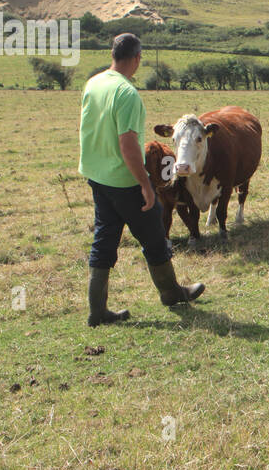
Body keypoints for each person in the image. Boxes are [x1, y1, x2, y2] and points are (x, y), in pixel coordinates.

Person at [78, 32, 204, 326]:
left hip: (97, 176)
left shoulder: (93, 83)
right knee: (154, 236)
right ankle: (172, 294)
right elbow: (128, 145)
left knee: (104, 238)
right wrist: (146, 184)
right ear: (137, 58)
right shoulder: (127, 94)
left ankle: (97, 311)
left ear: (113, 54)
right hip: (123, 180)